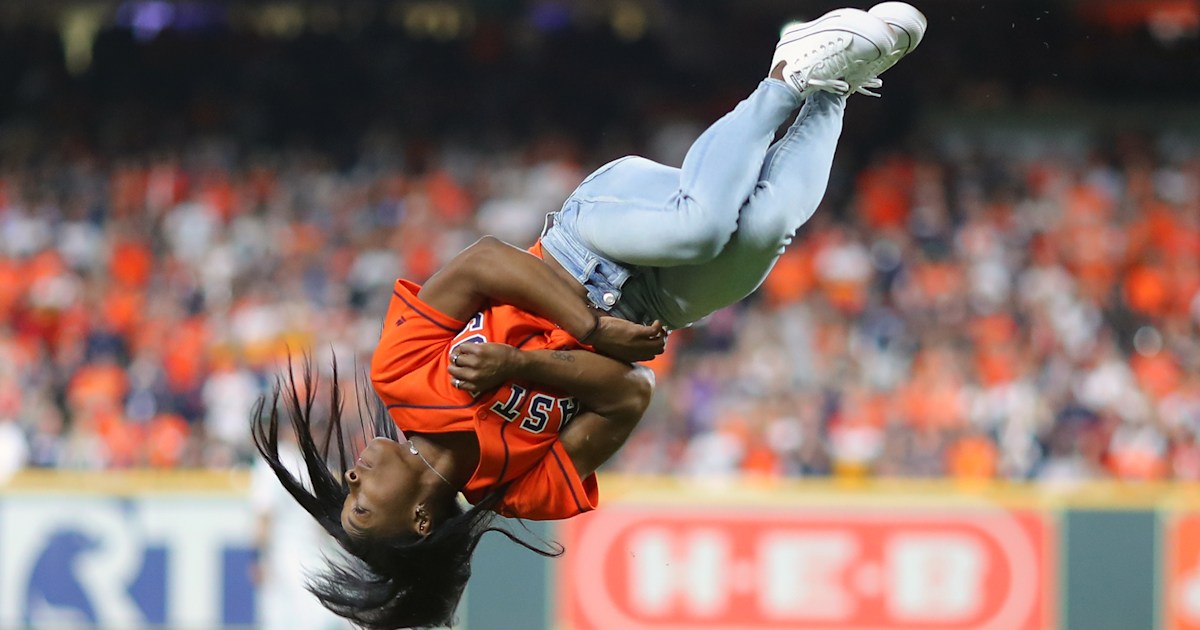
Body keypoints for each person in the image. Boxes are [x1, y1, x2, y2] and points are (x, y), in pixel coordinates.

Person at [252, 4, 926, 629]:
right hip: (655, 303)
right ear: (423, 519)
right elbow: (632, 395)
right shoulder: (524, 491)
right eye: (363, 504)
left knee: (703, 226)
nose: (353, 477)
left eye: (349, 492)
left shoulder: (399, 376)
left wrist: (590, 334)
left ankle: (785, 74)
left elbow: (487, 261)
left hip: (587, 239)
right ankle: (837, 85)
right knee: (763, 236)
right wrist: (522, 363)